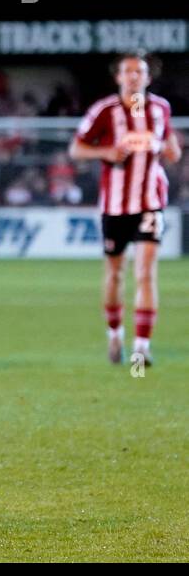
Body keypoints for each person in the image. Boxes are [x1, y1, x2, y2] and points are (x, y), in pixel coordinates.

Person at [69, 52, 182, 366]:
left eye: (139, 71)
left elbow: (171, 147)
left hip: (150, 202)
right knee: (115, 273)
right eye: (128, 71)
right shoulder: (104, 110)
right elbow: (77, 148)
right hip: (116, 205)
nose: (134, 76)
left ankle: (142, 346)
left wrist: (168, 148)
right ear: (118, 77)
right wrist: (107, 152)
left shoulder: (160, 109)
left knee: (145, 272)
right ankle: (115, 335)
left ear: (148, 77)